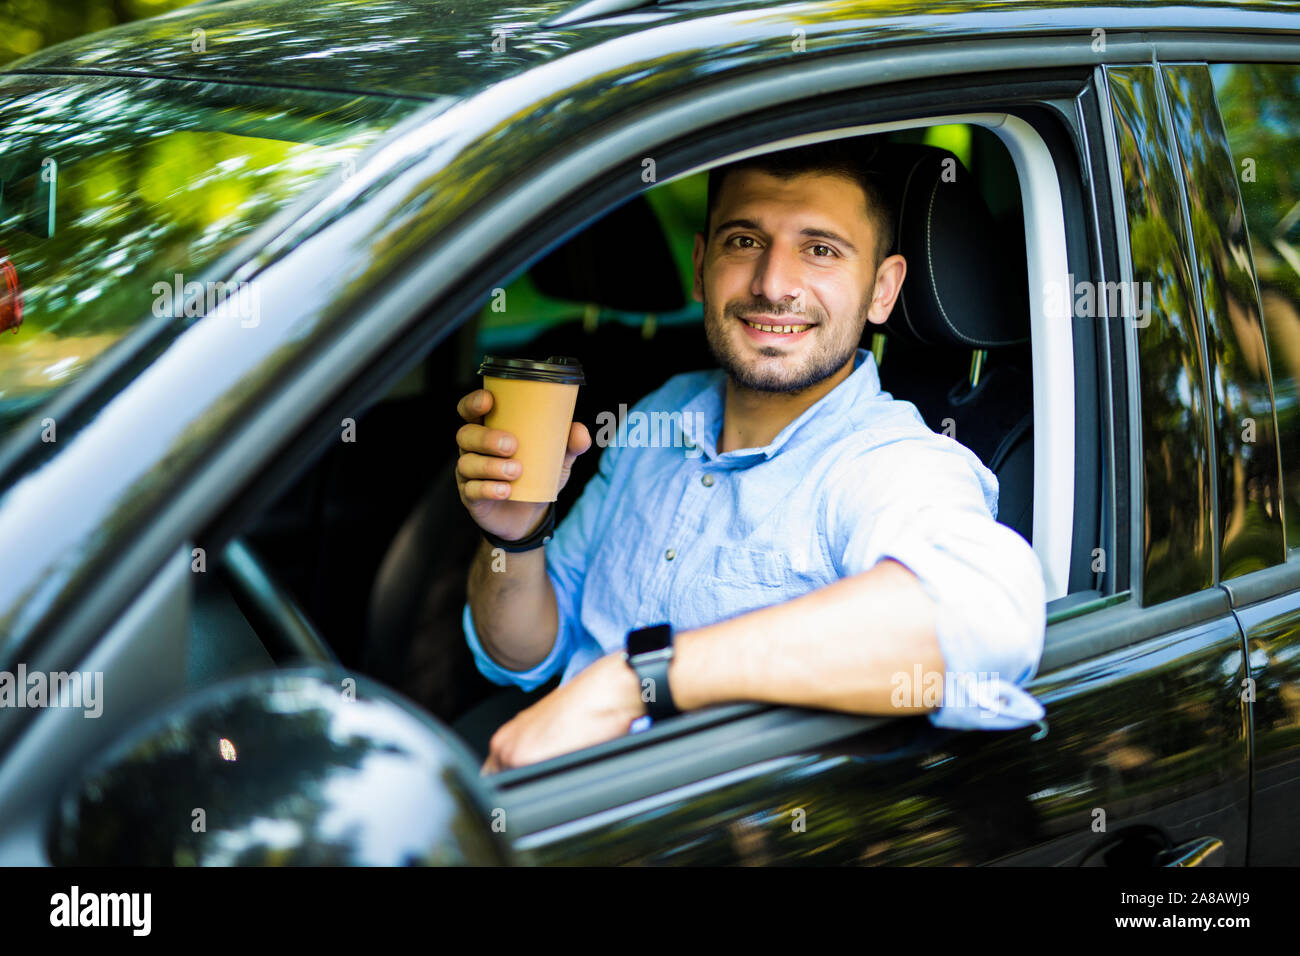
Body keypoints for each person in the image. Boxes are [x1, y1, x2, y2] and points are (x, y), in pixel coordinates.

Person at [454, 139, 1046, 775]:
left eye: (820, 250)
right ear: (702, 263)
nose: (772, 284)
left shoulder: (892, 461)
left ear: (882, 290)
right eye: (744, 241)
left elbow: (984, 622)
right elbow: (523, 654)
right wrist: (516, 538)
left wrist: (636, 682)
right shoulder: (661, 413)